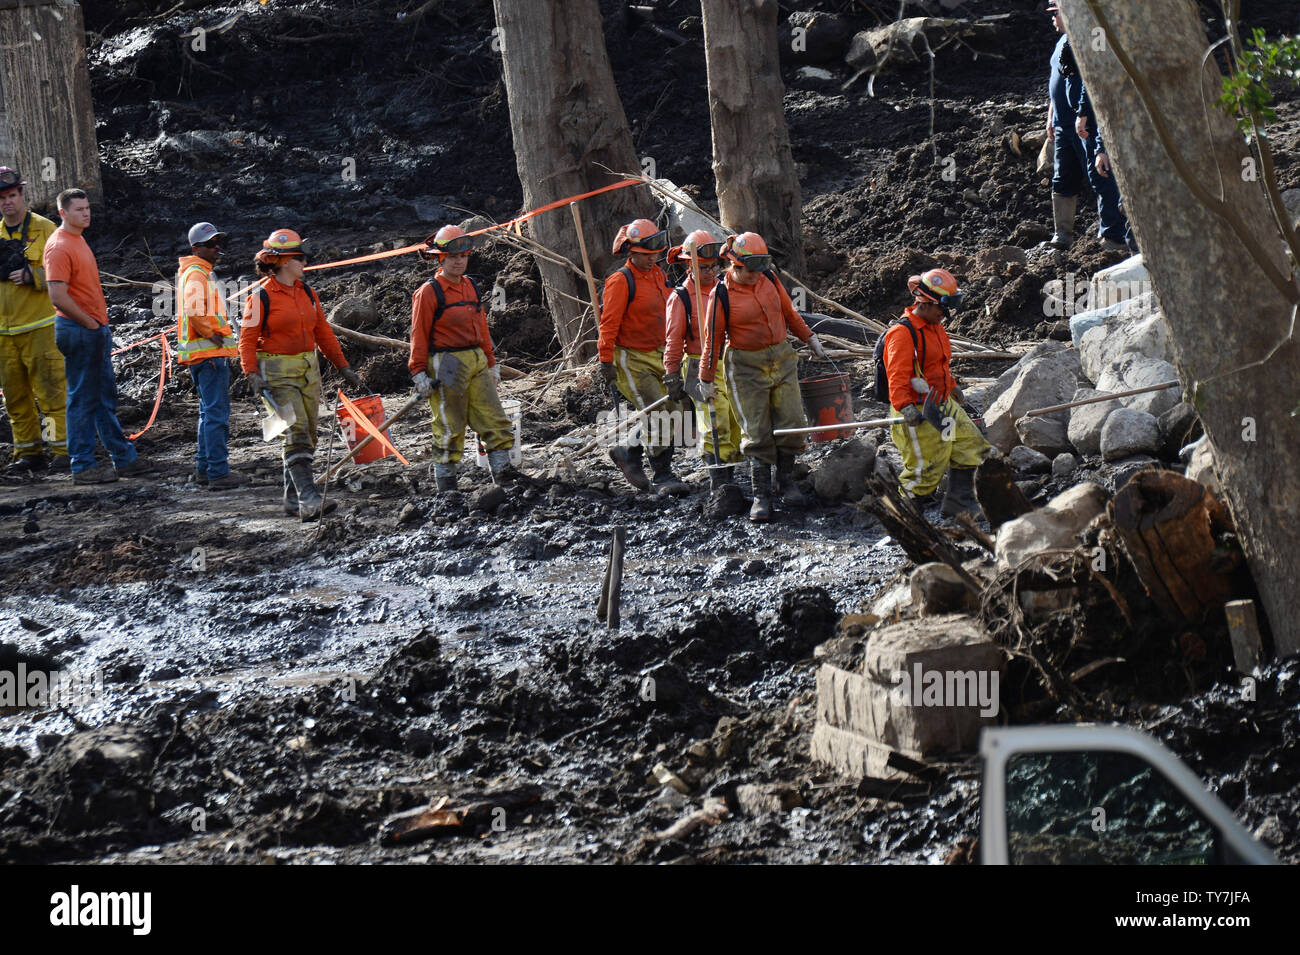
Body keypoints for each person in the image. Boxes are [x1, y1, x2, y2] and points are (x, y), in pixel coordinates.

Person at [698, 232, 829, 522]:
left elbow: (790, 312)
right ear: (735, 265)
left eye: (760, 268)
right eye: (750, 270)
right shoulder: (720, 294)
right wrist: (706, 379)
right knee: (756, 430)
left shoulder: (769, 279)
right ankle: (761, 494)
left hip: (781, 357)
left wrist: (809, 338)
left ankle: (786, 481)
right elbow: (713, 340)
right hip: (745, 365)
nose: (756, 275)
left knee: (793, 421)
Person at [240, 228, 362, 520]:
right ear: (282, 261)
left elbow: (323, 332)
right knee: (294, 431)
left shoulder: (307, 292)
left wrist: (343, 365)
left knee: (307, 433)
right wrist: (251, 373)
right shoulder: (260, 298)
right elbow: (246, 339)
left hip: (308, 370)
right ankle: (309, 500)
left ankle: (292, 500)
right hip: (277, 371)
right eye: (299, 258)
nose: (304, 262)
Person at [45, 188, 150, 485]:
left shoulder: (77, 240)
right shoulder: (59, 246)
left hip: (91, 329)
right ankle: (83, 465)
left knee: (103, 397)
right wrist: (90, 324)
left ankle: (124, 458)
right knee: (81, 399)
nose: (86, 213)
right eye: (79, 209)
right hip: (79, 330)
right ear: (63, 213)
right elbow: (57, 295)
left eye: (87, 207)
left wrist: (96, 326)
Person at [409, 225, 517, 491]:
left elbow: (482, 327)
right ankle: (448, 491)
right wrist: (418, 372)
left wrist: (492, 363)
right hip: (446, 364)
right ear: (440, 258)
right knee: (450, 427)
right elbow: (418, 334)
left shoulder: (471, 286)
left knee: (494, 420)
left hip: (476, 359)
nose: (459, 261)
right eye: (453, 257)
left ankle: (504, 480)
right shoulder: (429, 292)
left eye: (464, 256)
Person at [882, 269, 989, 517]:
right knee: (926, 469)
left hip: (941, 403)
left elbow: (937, 365)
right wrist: (905, 406)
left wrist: (952, 386)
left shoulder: (934, 327)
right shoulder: (902, 333)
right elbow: (896, 375)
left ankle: (959, 506)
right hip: (916, 409)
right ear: (926, 302)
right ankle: (904, 518)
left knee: (970, 445)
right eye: (942, 308)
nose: (945, 315)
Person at [597, 217, 688, 495]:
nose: (652, 260)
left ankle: (628, 451)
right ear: (631, 252)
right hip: (631, 358)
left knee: (674, 409)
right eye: (645, 256)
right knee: (656, 412)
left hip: (659, 353)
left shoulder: (658, 275)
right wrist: (605, 360)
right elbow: (608, 324)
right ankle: (663, 475)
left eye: (655, 255)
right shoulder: (620, 282)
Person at [1045, 0, 1134, 251]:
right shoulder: (1061, 44)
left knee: (1102, 176)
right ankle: (1062, 234)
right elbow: (1056, 80)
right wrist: (1051, 112)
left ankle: (1113, 236)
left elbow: (1092, 81)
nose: (1053, 19)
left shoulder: (1089, 40)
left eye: (1056, 13)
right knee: (1063, 178)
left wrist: (1083, 113)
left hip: (1085, 124)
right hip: (1063, 124)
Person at [661, 229, 741, 488]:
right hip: (697, 363)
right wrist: (672, 374)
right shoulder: (680, 298)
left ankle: (732, 475)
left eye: (713, 266)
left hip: (727, 361)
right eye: (703, 267)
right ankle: (720, 483)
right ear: (689, 265)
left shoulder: (724, 289)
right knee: (714, 422)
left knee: (735, 420)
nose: (710, 272)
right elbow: (673, 340)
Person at [0, 166, 66, 475]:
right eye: (2, 198)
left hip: (40, 327)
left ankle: (60, 450)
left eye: (12, 195)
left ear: (22, 195)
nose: (7, 203)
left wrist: (33, 276)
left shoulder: (45, 229)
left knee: (51, 392)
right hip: (4, 332)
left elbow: (66, 273)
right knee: (15, 398)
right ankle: (27, 453)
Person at [177, 222, 244, 490]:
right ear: (196, 248)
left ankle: (205, 469)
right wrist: (211, 333)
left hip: (204, 357)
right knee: (216, 415)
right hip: (209, 356)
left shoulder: (198, 272)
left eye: (219, 242)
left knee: (208, 414)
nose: (218, 248)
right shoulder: (196, 274)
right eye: (211, 244)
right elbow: (193, 309)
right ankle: (218, 472)